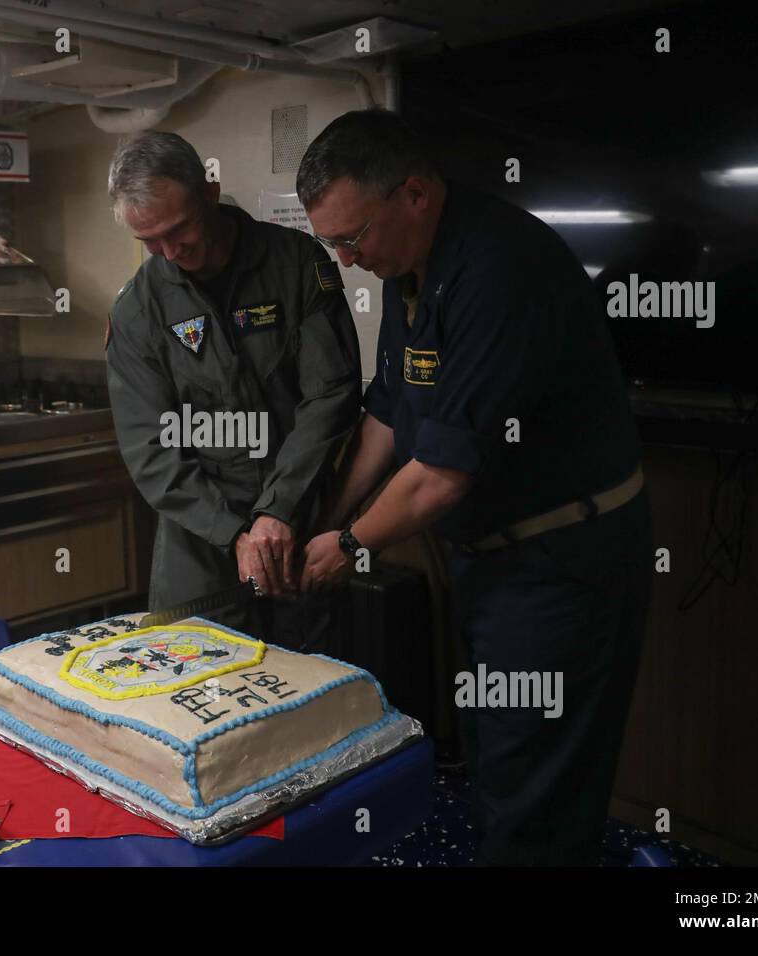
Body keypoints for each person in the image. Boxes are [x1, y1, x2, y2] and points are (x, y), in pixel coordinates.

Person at [295, 109, 652, 865]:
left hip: (561, 565)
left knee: (536, 778)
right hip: (487, 564)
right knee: (496, 752)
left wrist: (349, 547)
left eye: (351, 238)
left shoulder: (502, 267)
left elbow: (440, 476)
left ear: (415, 195)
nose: (348, 260)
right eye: (333, 244)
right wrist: (323, 516)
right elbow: (388, 417)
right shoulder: (406, 266)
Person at [104, 131, 361, 640]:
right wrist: (234, 534)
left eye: (180, 230)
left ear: (210, 194)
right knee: (195, 692)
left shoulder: (297, 264)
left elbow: (331, 395)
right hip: (198, 540)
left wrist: (276, 513)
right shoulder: (138, 309)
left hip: (302, 521)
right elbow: (151, 449)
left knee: (306, 686)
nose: (170, 252)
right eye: (149, 242)